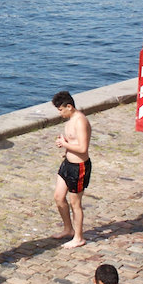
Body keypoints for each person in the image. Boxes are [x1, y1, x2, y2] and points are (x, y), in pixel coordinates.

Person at [52, 90, 92, 249]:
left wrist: (65, 144)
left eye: (61, 110)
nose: (60, 113)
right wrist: (64, 143)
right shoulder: (70, 120)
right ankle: (68, 229)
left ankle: (79, 237)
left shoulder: (80, 121)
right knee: (58, 197)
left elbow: (83, 148)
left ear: (69, 106)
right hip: (67, 164)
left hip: (79, 166)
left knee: (75, 203)